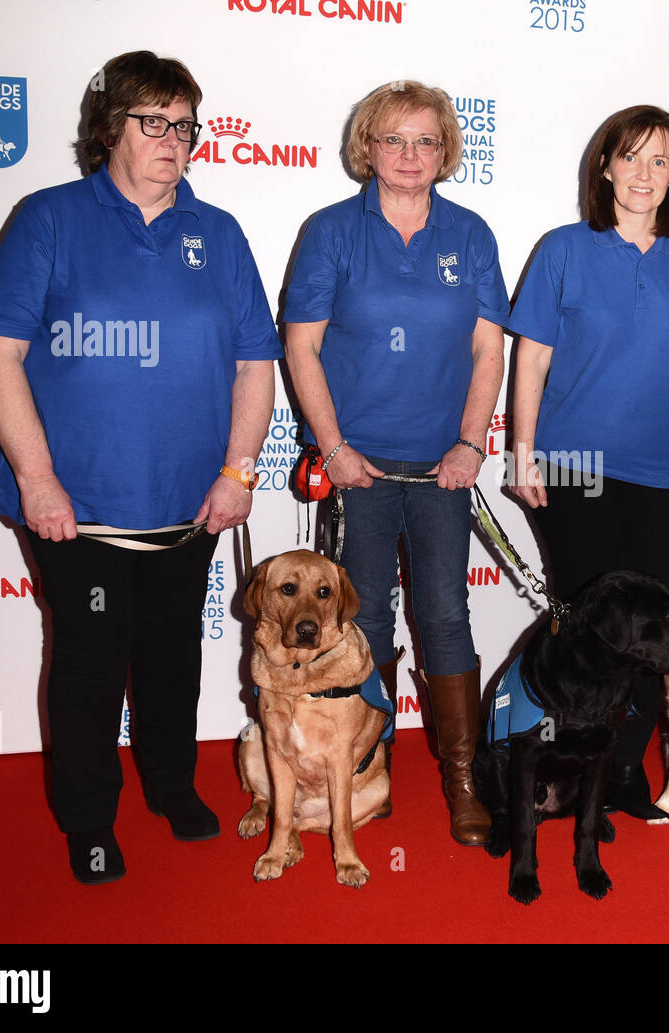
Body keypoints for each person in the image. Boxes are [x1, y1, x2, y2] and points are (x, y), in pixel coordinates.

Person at [0, 51, 280, 882]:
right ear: (111, 128)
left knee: (174, 655)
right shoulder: (50, 219)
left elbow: (257, 362)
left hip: (191, 505)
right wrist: (36, 480)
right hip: (79, 507)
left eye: (185, 125)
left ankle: (172, 785)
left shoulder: (218, 233)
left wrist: (240, 473)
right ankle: (88, 819)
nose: (173, 140)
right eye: (155, 122)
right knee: (89, 664)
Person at [283, 81, 509, 846]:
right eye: (393, 140)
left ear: (445, 150)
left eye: (425, 141)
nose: (410, 156)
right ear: (367, 148)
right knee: (363, 615)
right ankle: (362, 764)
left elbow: (488, 348)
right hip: (358, 468)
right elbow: (301, 346)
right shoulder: (331, 232)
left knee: (446, 611)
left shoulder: (471, 235)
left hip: (443, 468)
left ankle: (463, 775)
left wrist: (472, 441)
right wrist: (335, 447)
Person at [508, 105, 669, 818]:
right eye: (630, 157)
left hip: (666, 475)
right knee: (588, 633)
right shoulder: (563, 249)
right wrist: (522, 448)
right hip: (575, 470)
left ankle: (623, 768)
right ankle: (564, 771)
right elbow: (531, 356)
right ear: (604, 166)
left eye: (660, 161)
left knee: (650, 636)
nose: (643, 173)